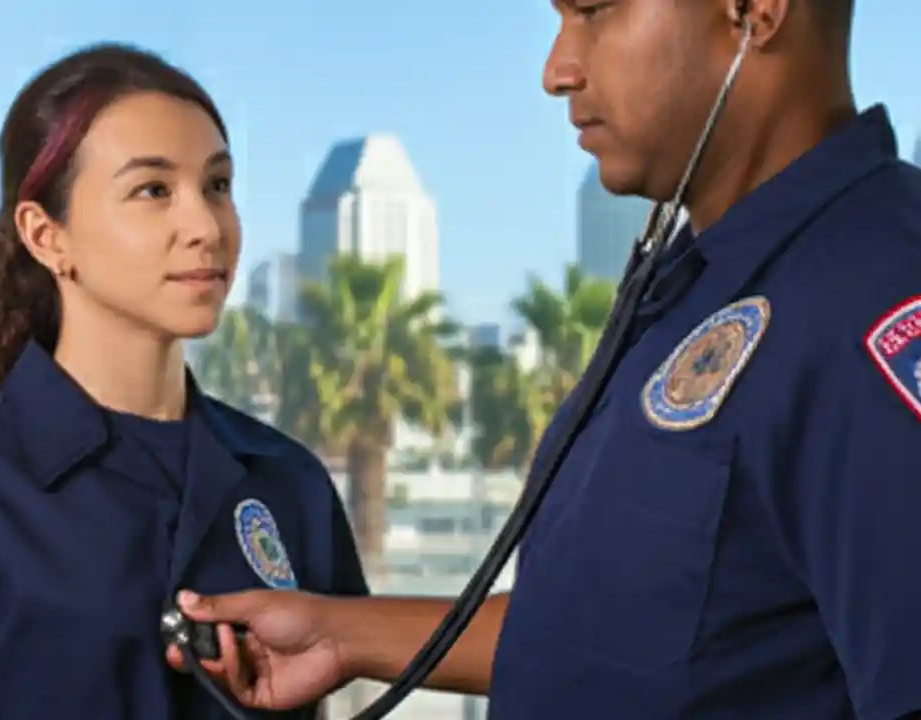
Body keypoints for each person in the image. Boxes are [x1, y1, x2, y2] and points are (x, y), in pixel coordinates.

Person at [169, 0, 921, 717]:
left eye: (594, 12)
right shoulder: (695, 284)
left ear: (753, 11)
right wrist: (341, 635)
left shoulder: (876, 294)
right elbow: (628, 635)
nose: (557, 69)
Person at [0, 43, 367, 720]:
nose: (205, 226)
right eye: (153, 190)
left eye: (217, 185)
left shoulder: (289, 482)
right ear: (45, 234)